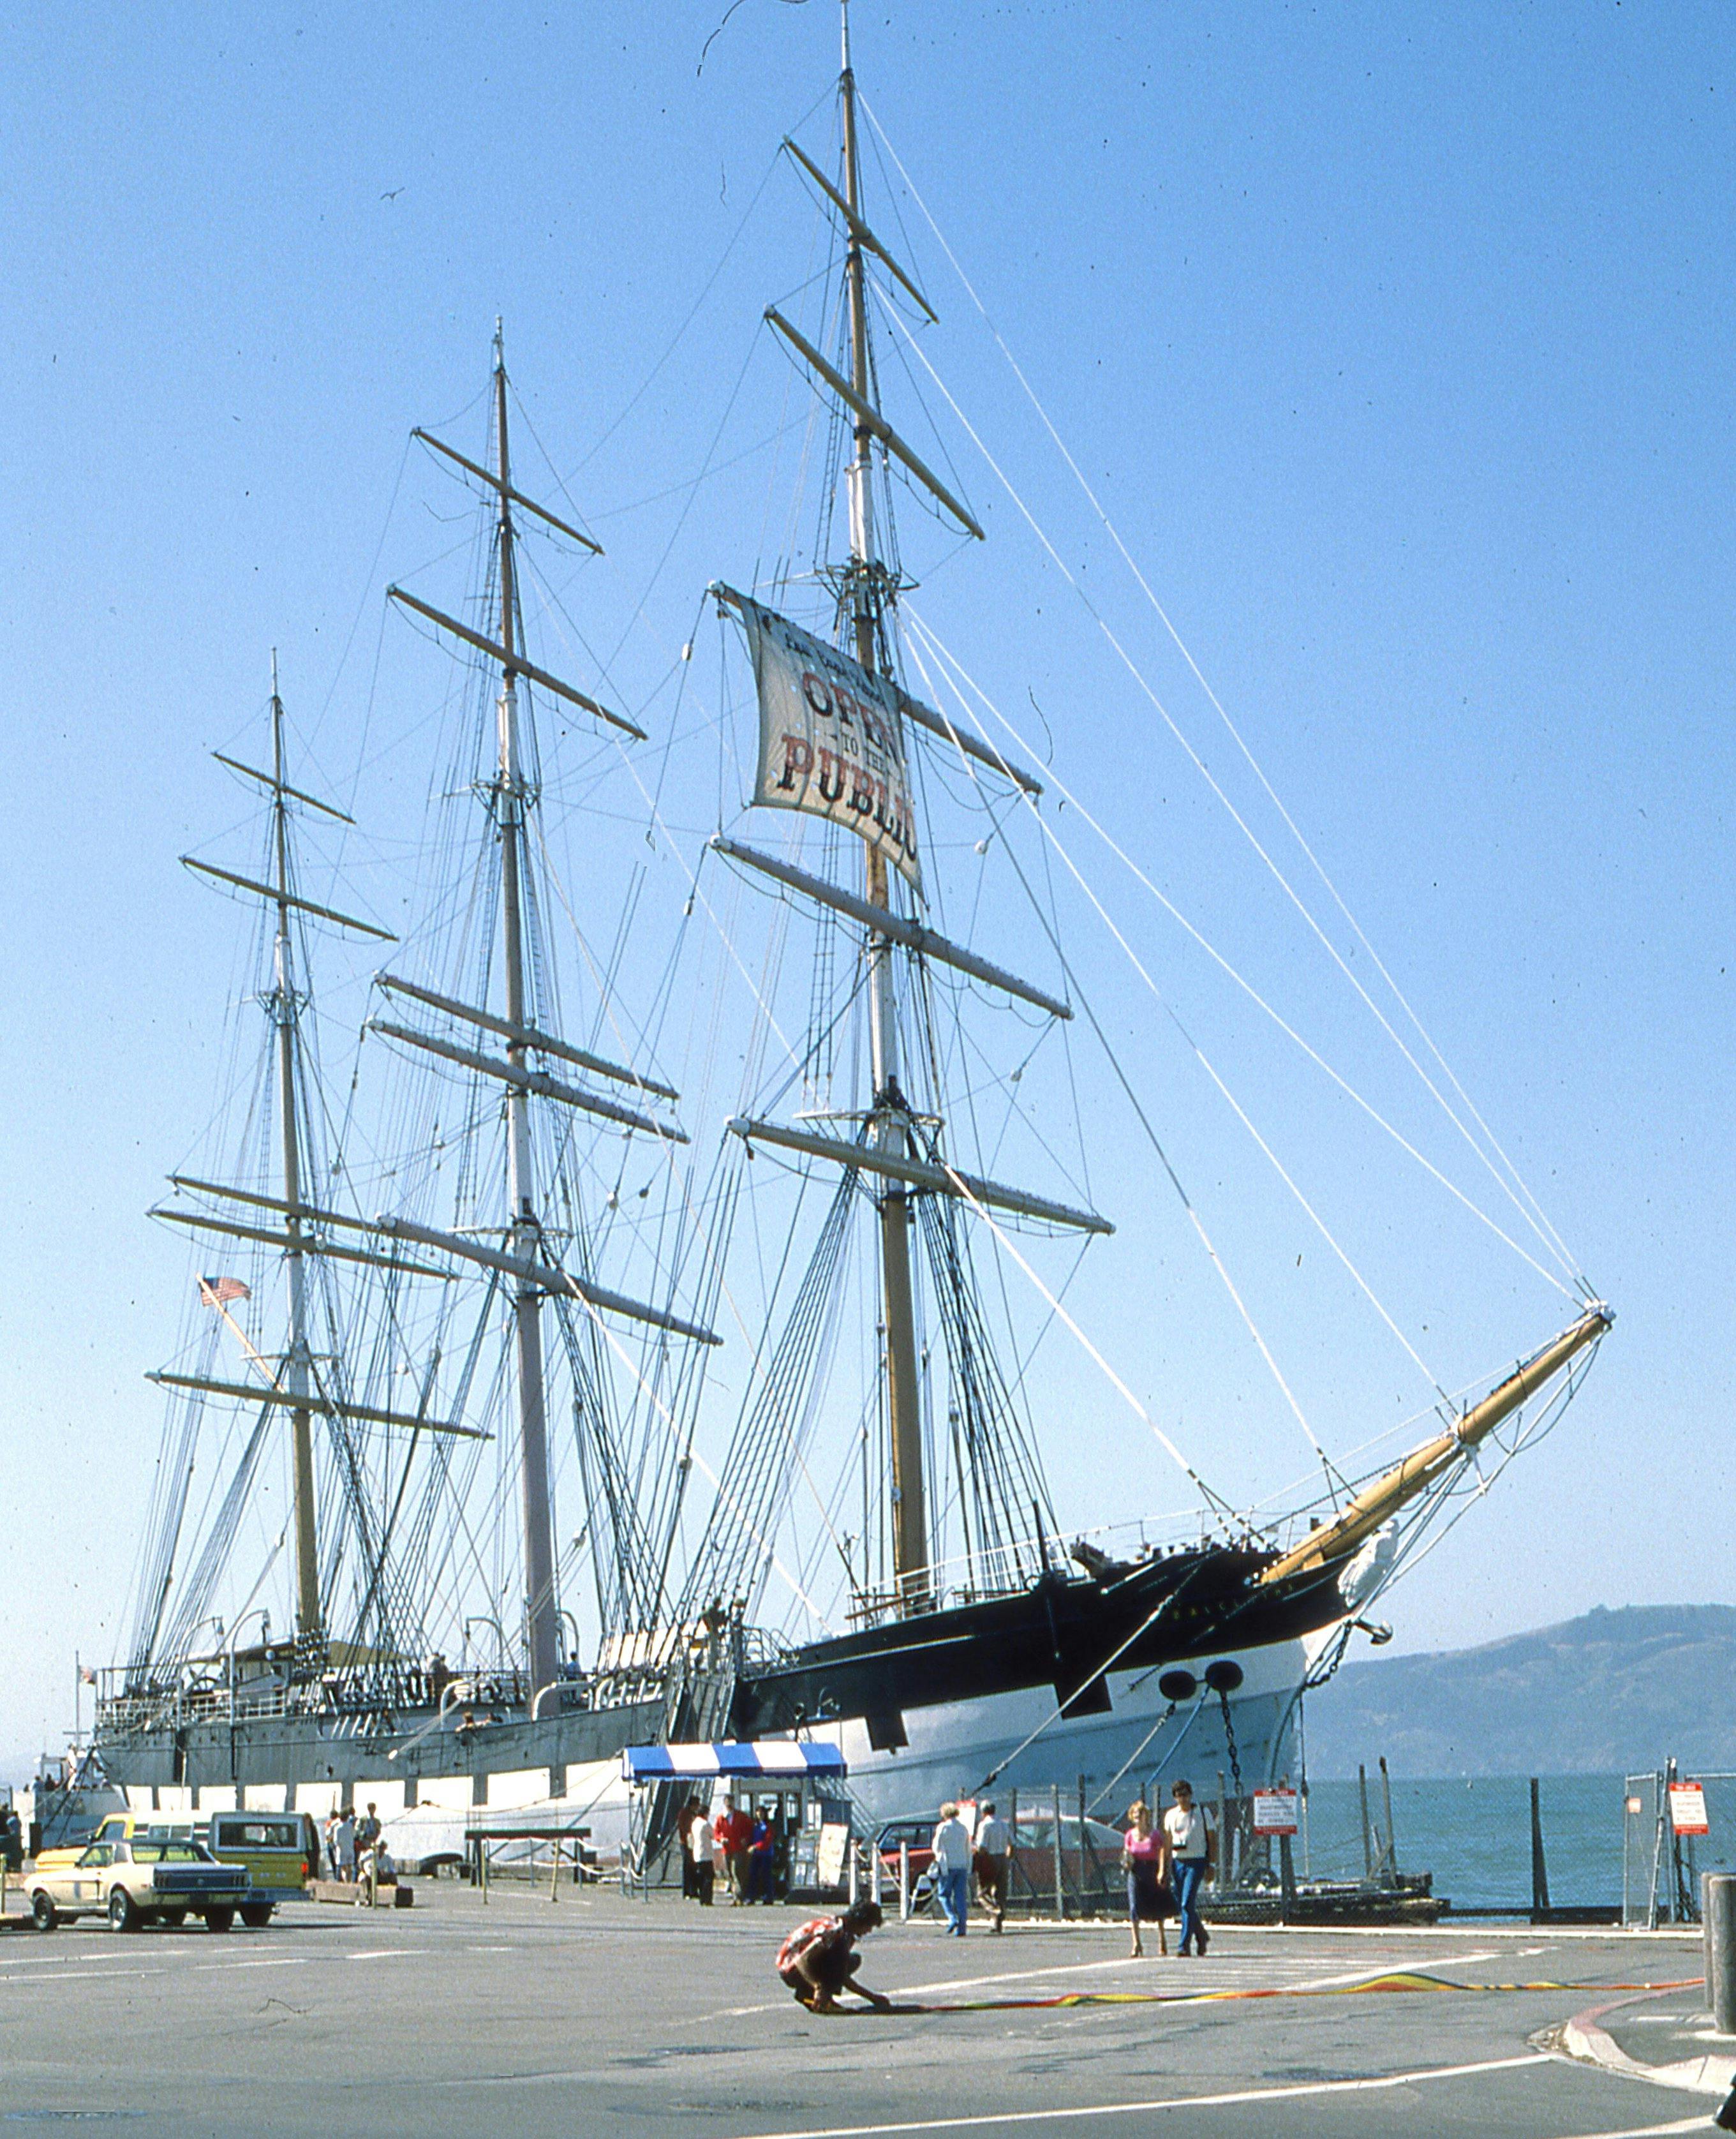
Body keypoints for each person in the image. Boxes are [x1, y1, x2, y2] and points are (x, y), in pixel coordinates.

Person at [775, 1901, 891, 2013]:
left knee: (852, 1960)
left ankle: (810, 1994)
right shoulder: (834, 1931)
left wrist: (872, 1997)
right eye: (869, 1926)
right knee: (839, 1952)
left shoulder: (846, 1933)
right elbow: (802, 1960)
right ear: (860, 1921)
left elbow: (842, 1975)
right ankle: (821, 1997)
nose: (869, 1931)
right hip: (790, 1969)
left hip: (801, 1966)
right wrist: (818, 1987)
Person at [1163, 1780, 1212, 1956]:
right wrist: (1163, 1867)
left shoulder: (1202, 1812)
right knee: (1184, 1905)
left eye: (1185, 1795)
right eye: (1179, 1795)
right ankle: (1201, 1935)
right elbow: (1167, 1842)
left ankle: (1184, 1945)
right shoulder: (1170, 1815)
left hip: (1196, 1861)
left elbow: (1212, 1839)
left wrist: (1211, 1864)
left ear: (1191, 1795)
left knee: (1186, 1902)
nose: (1183, 1799)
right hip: (1178, 1862)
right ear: (1175, 1798)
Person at [1121, 1800, 1171, 1959]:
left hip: (1152, 1869)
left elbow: (1162, 1850)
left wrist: (1162, 1870)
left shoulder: (1154, 1834)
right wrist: (1126, 1861)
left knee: (1156, 1905)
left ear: (1146, 1816)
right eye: (1135, 1814)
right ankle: (1137, 1943)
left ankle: (1162, 1939)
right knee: (1134, 1905)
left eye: (1140, 1814)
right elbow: (1127, 1852)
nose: (1137, 1816)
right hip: (1136, 1871)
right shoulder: (1130, 1835)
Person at [930, 1801, 972, 1938]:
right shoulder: (964, 1828)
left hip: (947, 1866)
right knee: (960, 1897)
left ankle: (952, 1918)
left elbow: (936, 1847)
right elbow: (968, 1848)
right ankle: (962, 1928)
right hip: (962, 1865)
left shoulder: (943, 1827)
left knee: (944, 1895)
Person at [973, 1800, 1010, 1933]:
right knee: (1000, 1892)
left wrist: (979, 1858)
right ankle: (998, 1924)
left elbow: (982, 1846)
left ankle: (996, 1911)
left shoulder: (984, 1825)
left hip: (990, 1858)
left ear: (983, 1812)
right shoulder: (1004, 1824)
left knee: (982, 1893)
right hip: (1003, 1858)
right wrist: (1007, 1858)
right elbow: (1012, 1843)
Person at [715, 1798, 750, 1903]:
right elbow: (716, 1832)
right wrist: (721, 1839)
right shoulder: (721, 1818)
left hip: (738, 1849)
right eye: (727, 1802)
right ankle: (735, 1894)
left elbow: (749, 1828)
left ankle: (739, 1897)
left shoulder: (741, 1816)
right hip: (727, 1849)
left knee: (737, 1872)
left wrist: (746, 1838)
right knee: (729, 1873)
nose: (729, 1804)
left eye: (731, 1802)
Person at [687, 1801, 716, 1906]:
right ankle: (707, 1899)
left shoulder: (694, 1823)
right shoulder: (705, 1824)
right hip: (706, 1854)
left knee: (701, 1877)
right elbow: (713, 1835)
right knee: (709, 1877)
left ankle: (702, 1898)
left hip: (697, 1853)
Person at [747, 1810, 776, 1903]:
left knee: (766, 1875)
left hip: (766, 1854)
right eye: (758, 1813)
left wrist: (755, 1847)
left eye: (762, 1813)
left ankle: (769, 1896)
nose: (760, 1815)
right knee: (753, 1875)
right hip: (756, 1854)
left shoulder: (768, 1826)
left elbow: (767, 1841)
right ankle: (752, 1896)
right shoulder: (755, 1826)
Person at [676, 1799, 702, 1900]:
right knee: (687, 1867)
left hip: (694, 1843)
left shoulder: (696, 1814)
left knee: (695, 1867)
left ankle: (694, 1890)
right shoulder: (684, 1813)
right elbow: (683, 1827)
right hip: (685, 1843)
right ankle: (687, 1891)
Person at [334, 1807, 357, 1883]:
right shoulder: (351, 1826)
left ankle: (346, 1881)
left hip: (342, 1850)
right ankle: (349, 1880)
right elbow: (354, 1835)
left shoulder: (338, 1828)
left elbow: (336, 1841)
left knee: (344, 1868)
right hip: (350, 1849)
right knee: (350, 1867)